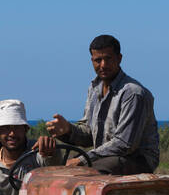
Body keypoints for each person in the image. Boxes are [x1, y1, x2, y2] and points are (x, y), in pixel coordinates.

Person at [40, 34, 160, 174]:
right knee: (60, 169)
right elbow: (89, 134)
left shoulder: (133, 93)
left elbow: (125, 144)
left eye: (108, 59)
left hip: (136, 160)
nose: (103, 65)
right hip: (106, 158)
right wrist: (68, 130)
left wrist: (83, 160)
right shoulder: (94, 88)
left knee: (87, 171)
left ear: (119, 58)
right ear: (92, 61)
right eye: (98, 60)